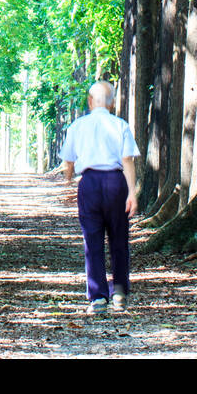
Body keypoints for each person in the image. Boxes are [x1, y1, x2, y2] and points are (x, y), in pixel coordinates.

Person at [60, 80, 140, 313]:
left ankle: (97, 297)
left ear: (89, 101)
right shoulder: (120, 124)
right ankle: (120, 292)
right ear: (112, 103)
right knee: (119, 238)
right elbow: (127, 160)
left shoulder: (78, 125)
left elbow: (69, 160)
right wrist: (132, 193)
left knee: (92, 240)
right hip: (116, 183)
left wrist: (68, 182)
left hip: (90, 183)